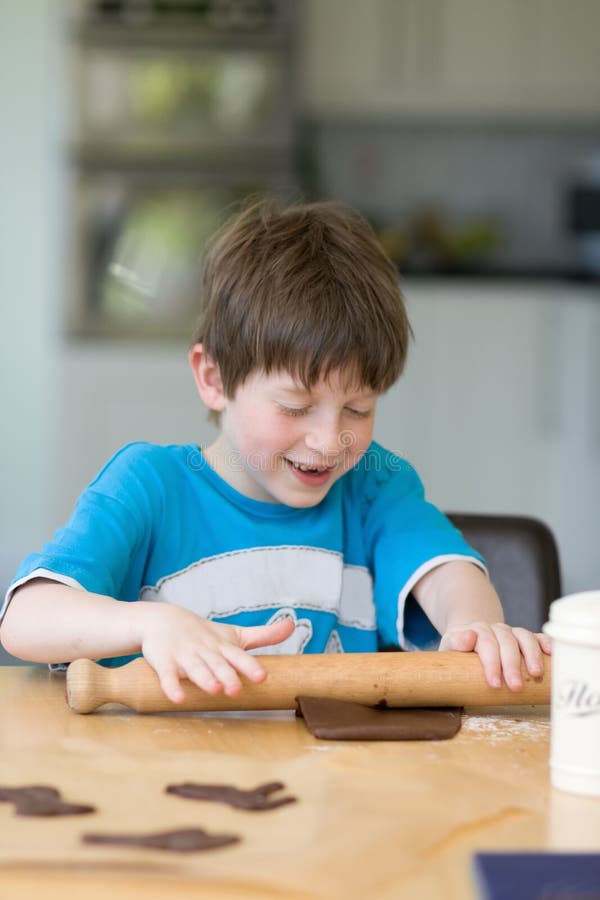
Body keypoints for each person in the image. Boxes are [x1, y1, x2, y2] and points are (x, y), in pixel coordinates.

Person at [0, 199, 551, 703]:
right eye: (294, 406)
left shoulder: (374, 487)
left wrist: (476, 625)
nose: (328, 440)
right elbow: (25, 620)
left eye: (358, 409)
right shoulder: (148, 485)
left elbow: (449, 574)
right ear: (214, 378)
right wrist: (149, 624)